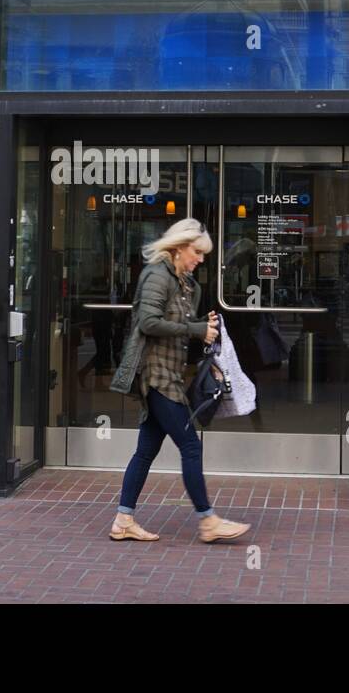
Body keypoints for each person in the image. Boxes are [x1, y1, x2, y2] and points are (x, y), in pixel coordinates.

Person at [107, 218, 251, 545]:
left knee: (145, 450)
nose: (200, 259)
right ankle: (208, 521)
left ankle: (123, 520)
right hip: (156, 375)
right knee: (189, 445)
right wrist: (196, 329)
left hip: (170, 373)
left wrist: (204, 324)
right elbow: (148, 322)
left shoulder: (187, 283)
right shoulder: (157, 275)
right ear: (179, 247)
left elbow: (179, 324)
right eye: (197, 252)